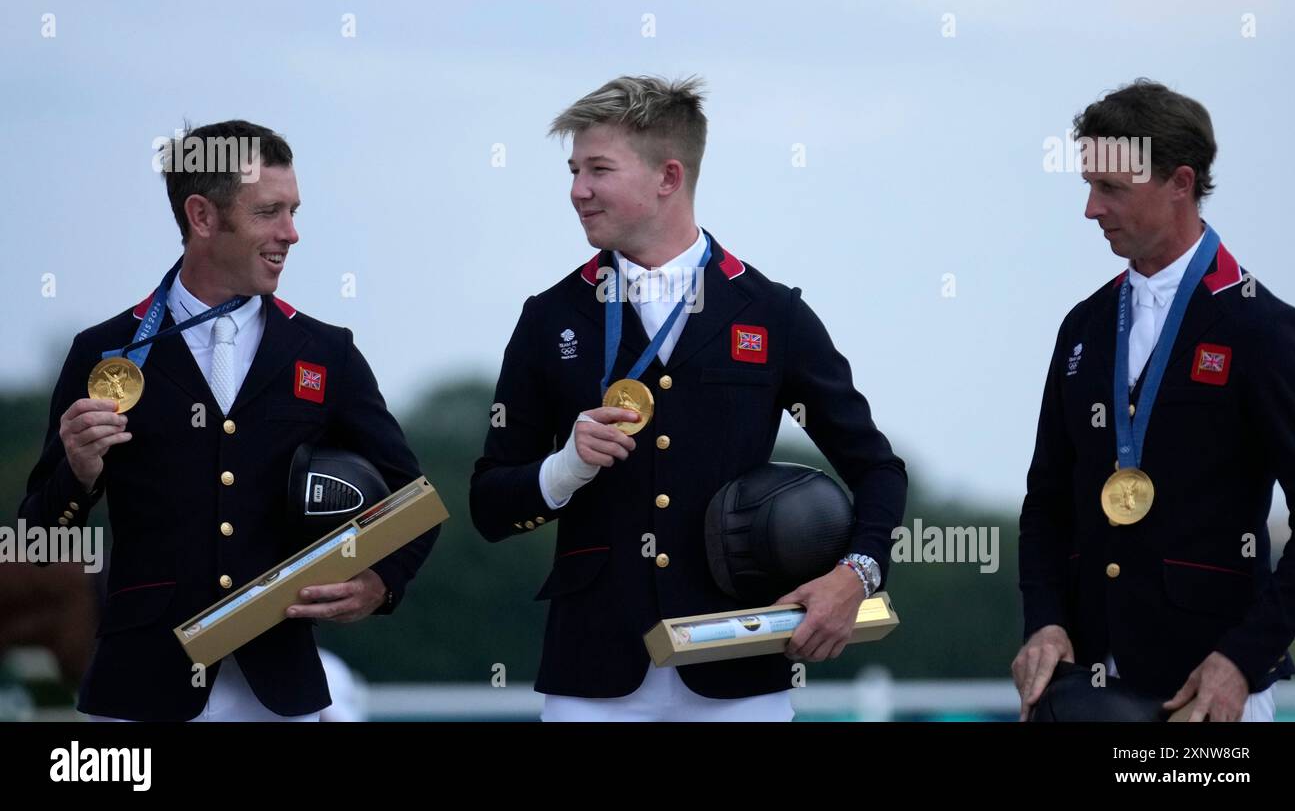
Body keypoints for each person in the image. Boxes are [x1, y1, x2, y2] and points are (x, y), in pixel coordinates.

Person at [470, 76, 907, 720]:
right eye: (573, 170)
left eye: (598, 170)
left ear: (667, 177)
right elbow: (489, 507)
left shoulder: (771, 312)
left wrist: (857, 576)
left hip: (742, 675)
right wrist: (565, 467)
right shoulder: (549, 317)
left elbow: (877, 469)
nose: (577, 191)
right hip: (592, 678)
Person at [22, 120, 437, 721]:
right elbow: (39, 538)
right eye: (270, 211)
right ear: (202, 216)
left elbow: (413, 504)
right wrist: (79, 474)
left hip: (282, 691)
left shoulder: (326, 351)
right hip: (137, 688)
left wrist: (381, 584)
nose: (291, 234)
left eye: (293, 211)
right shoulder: (104, 352)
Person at [1015, 80, 1295, 722]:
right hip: (1082, 690)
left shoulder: (1261, 328)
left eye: (1111, 188)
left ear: (1180, 182)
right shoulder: (1083, 326)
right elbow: (1046, 503)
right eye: (1088, 184)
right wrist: (1045, 624)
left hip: (1208, 693)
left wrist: (1243, 659)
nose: (1091, 208)